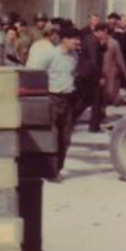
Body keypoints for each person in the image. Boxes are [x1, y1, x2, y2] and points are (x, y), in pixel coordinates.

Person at [43, 26, 81, 177]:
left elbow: (74, 74)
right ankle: (49, 171)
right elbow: (38, 73)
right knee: (52, 135)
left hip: (68, 98)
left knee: (65, 137)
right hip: (52, 98)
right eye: (75, 39)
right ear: (65, 39)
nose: (77, 42)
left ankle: (57, 169)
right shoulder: (51, 55)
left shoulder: (75, 56)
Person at [100, 23, 126, 109]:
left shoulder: (99, 41)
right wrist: (125, 72)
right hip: (110, 72)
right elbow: (119, 59)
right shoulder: (114, 43)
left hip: (101, 71)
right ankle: (103, 108)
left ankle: (102, 108)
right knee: (109, 92)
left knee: (101, 93)